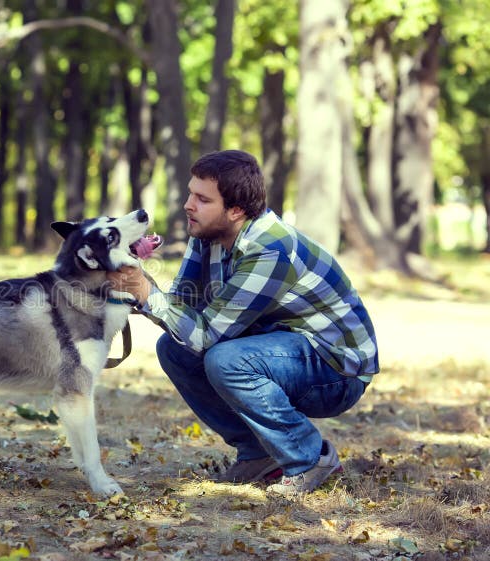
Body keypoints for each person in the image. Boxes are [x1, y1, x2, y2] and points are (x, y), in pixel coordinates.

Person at [107, 150, 378, 496]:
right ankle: (258, 455)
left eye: (202, 199)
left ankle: (310, 459)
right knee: (174, 349)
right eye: (191, 193)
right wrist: (128, 289)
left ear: (236, 210)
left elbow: (206, 334)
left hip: (337, 369)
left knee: (225, 360)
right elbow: (183, 308)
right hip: (281, 347)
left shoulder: (269, 250)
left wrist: (146, 292)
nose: (188, 205)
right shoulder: (207, 235)